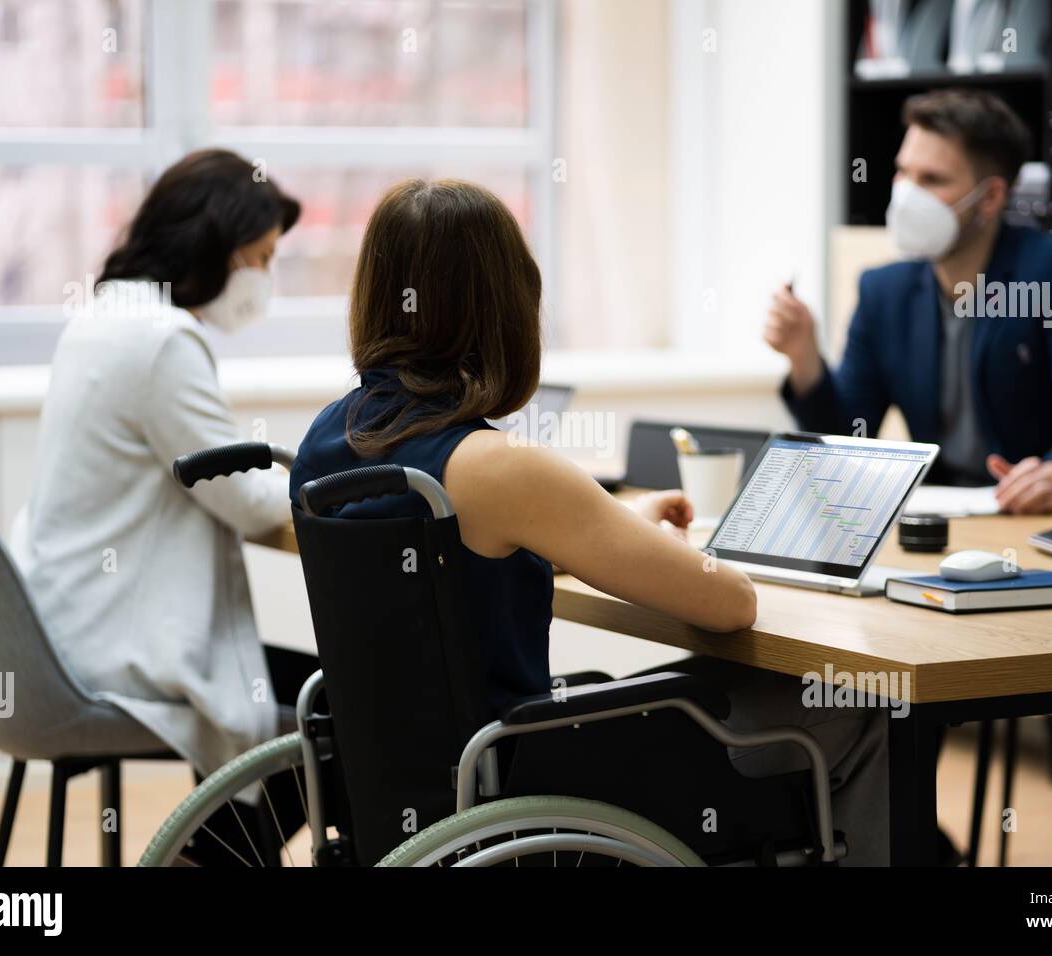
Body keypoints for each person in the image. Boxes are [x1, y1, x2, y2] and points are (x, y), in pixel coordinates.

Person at [291, 178, 890, 865]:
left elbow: (450, 564)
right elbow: (730, 604)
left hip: (419, 788)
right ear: (506, 308)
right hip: (527, 784)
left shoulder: (326, 442)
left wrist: (611, 524)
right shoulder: (497, 466)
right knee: (852, 700)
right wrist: (661, 545)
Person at [14, 149, 318, 862]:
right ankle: (205, 860)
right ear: (216, 244)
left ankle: (203, 856)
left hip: (66, 629)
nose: (265, 281)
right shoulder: (162, 340)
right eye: (262, 258)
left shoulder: (108, 316)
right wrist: (332, 485)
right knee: (343, 704)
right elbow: (243, 498)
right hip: (118, 644)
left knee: (310, 693)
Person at [765, 88, 1052, 514]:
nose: (906, 194)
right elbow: (847, 442)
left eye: (932, 180)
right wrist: (804, 358)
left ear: (990, 198)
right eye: (902, 172)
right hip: (956, 525)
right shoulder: (884, 292)